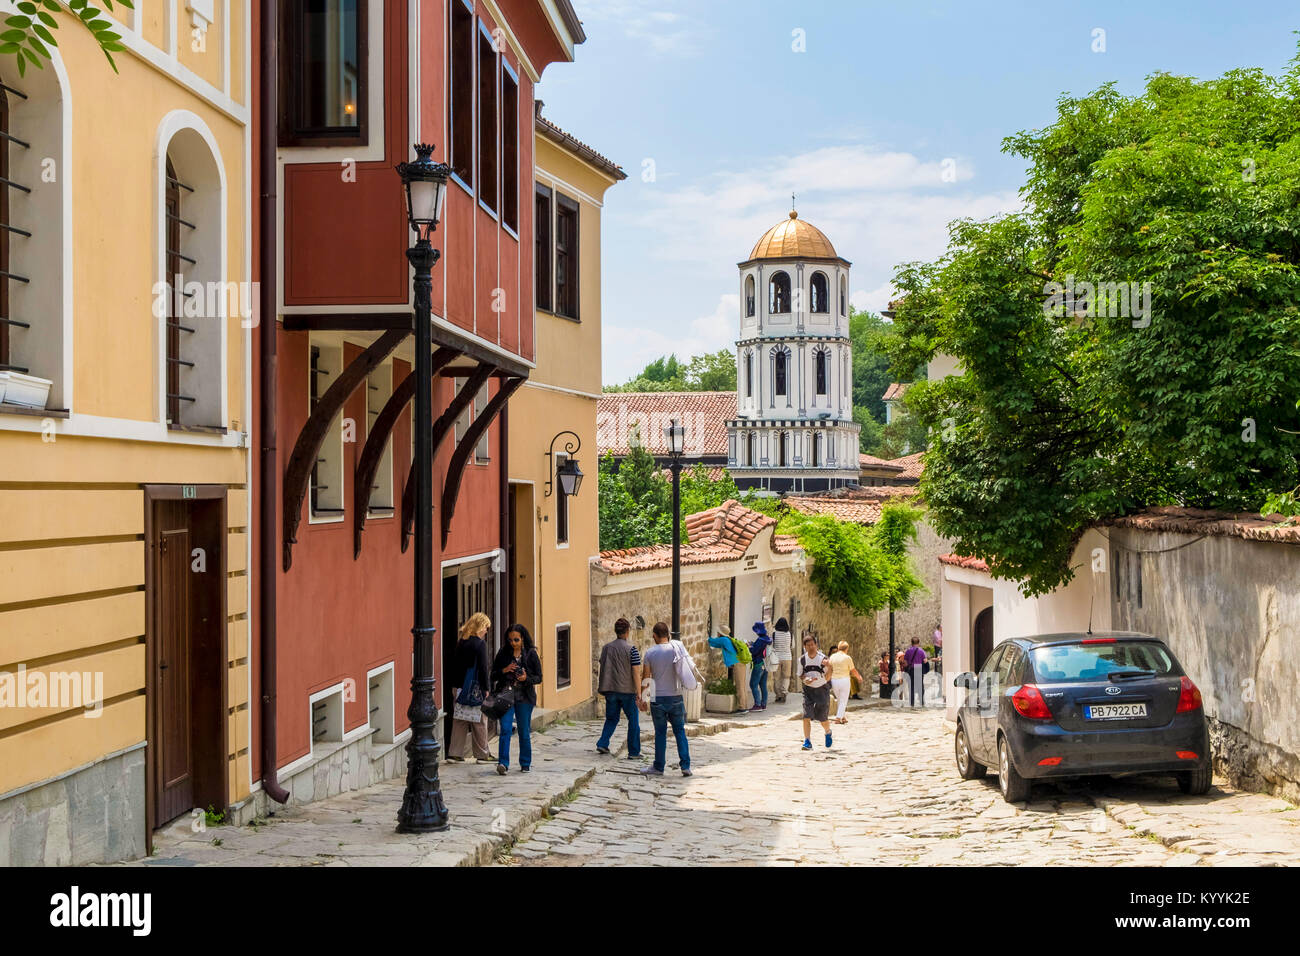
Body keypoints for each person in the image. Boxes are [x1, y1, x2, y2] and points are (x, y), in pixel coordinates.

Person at [640, 622, 692, 777]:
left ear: (655, 635)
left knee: (660, 733)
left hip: (658, 697)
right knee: (680, 732)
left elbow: (646, 677)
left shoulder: (650, 653)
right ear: (668, 634)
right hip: (676, 696)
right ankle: (685, 766)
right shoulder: (676, 650)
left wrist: (643, 698)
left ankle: (659, 767)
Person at [491, 624, 543, 774]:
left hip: (524, 697)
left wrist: (526, 678)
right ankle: (503, 763)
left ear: (523, 639)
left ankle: (525, 763)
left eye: (516, 639)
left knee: (524, 731)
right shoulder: (503, 653)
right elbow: (493, 674)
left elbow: (539, 678)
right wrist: (504, 670)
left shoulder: (531, 654)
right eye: (510, 640)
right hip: (505, 697)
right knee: (506, 729)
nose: (513, 643)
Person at [448, 612, 493, 762]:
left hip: (458, 687)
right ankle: (481, 754)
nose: (486, 631)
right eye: (486, 627)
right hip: (475, 688)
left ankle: (454, 753)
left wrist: (455, 686)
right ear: (480, 627)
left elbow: (455, 665)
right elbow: (483, 668)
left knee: (459, 719)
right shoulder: (479, 644)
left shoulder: (462, 642)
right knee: (480, 721)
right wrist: (486, 688)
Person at [595, 617, 643, 759]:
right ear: (627, 632)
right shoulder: (632, 650)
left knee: (611, 718)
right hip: (627, 691)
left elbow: (603, 665)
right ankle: (634, 752)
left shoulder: (606, 648)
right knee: (633, 720)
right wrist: (639, 692)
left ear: (616, 631)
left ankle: (602, 743)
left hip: (610, 689)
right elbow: (635, 671)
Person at [798, 634, 833, 750]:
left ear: (816, 645)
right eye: (808, 645)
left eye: (813, 644)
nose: (811, 647)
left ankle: (828, 732)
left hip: (822, 689)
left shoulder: (822, 659)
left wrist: (830, 667)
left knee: (822, 718)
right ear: (805, 647)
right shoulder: (802, 660)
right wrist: (805, 679)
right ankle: (807, 741)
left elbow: (828, 677)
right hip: (808, 690)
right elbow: (800, 675)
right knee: (806, 715)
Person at [707, 625, 749, 713]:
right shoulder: (728, 639)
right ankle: (744, 706)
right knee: (742, 685)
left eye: (718, 632)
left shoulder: (724, 640)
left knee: (739, 686)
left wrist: (707, 634)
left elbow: (711, 641)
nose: (717, 633)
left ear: (720, 633)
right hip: (741, 663)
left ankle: (742, 708)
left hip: (738, 664)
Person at [827, 641, 863, 724]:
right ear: (847, 649)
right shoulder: (847, 658)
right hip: (844, 680)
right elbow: (853, 670)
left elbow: (830, 667)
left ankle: (842, 717)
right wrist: (859, 677)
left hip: (834, 680)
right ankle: (838, 718)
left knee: (840, 699)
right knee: (844, 700)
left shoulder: (832, 657)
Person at [748, 622, 772, 711]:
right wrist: (753, 644)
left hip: (758, 663)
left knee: (753, 684)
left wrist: (749, 646)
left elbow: (754, 651)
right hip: (765, 664)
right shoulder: (767, 639)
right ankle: (763, 704)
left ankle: (757, 705)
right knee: (763, 685)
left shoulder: (760, 640)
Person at [769, 617, 793, 702]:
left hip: (776, 658)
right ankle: (784, 692)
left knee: (776, 677)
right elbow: (792, 646)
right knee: (786, 676)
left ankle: (778, 695)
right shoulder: (790, 634)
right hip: (787, 657)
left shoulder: (774, 633)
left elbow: (771, 645)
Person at [904, 635, 928, 707]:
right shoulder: (921, 651)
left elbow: (905, 662)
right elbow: (925, 660)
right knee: (920, 686)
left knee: (911, 686)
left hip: (911, 669)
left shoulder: (908, 651)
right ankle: (922, 702)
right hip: (919, 669)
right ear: (918, 643)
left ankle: (912, 703)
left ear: (911, 643)